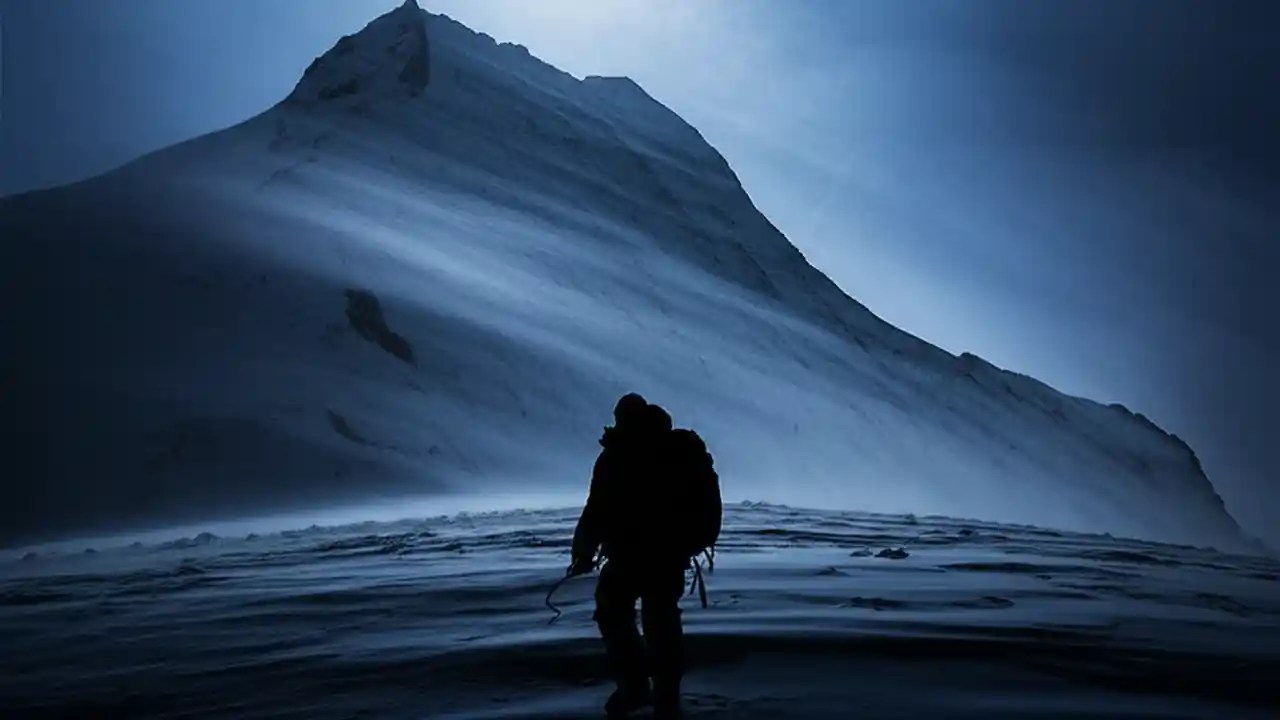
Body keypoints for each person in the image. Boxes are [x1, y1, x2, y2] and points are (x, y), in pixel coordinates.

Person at [571, 393, 719, 720]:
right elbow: (598, 508)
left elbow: (597, 508)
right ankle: (662, 695)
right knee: (659, 620)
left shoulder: (618, 456)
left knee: (619, 615)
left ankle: (638, 687)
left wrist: (583, 551)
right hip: (665, 555)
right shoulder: (670, 451)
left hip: (634, 554)